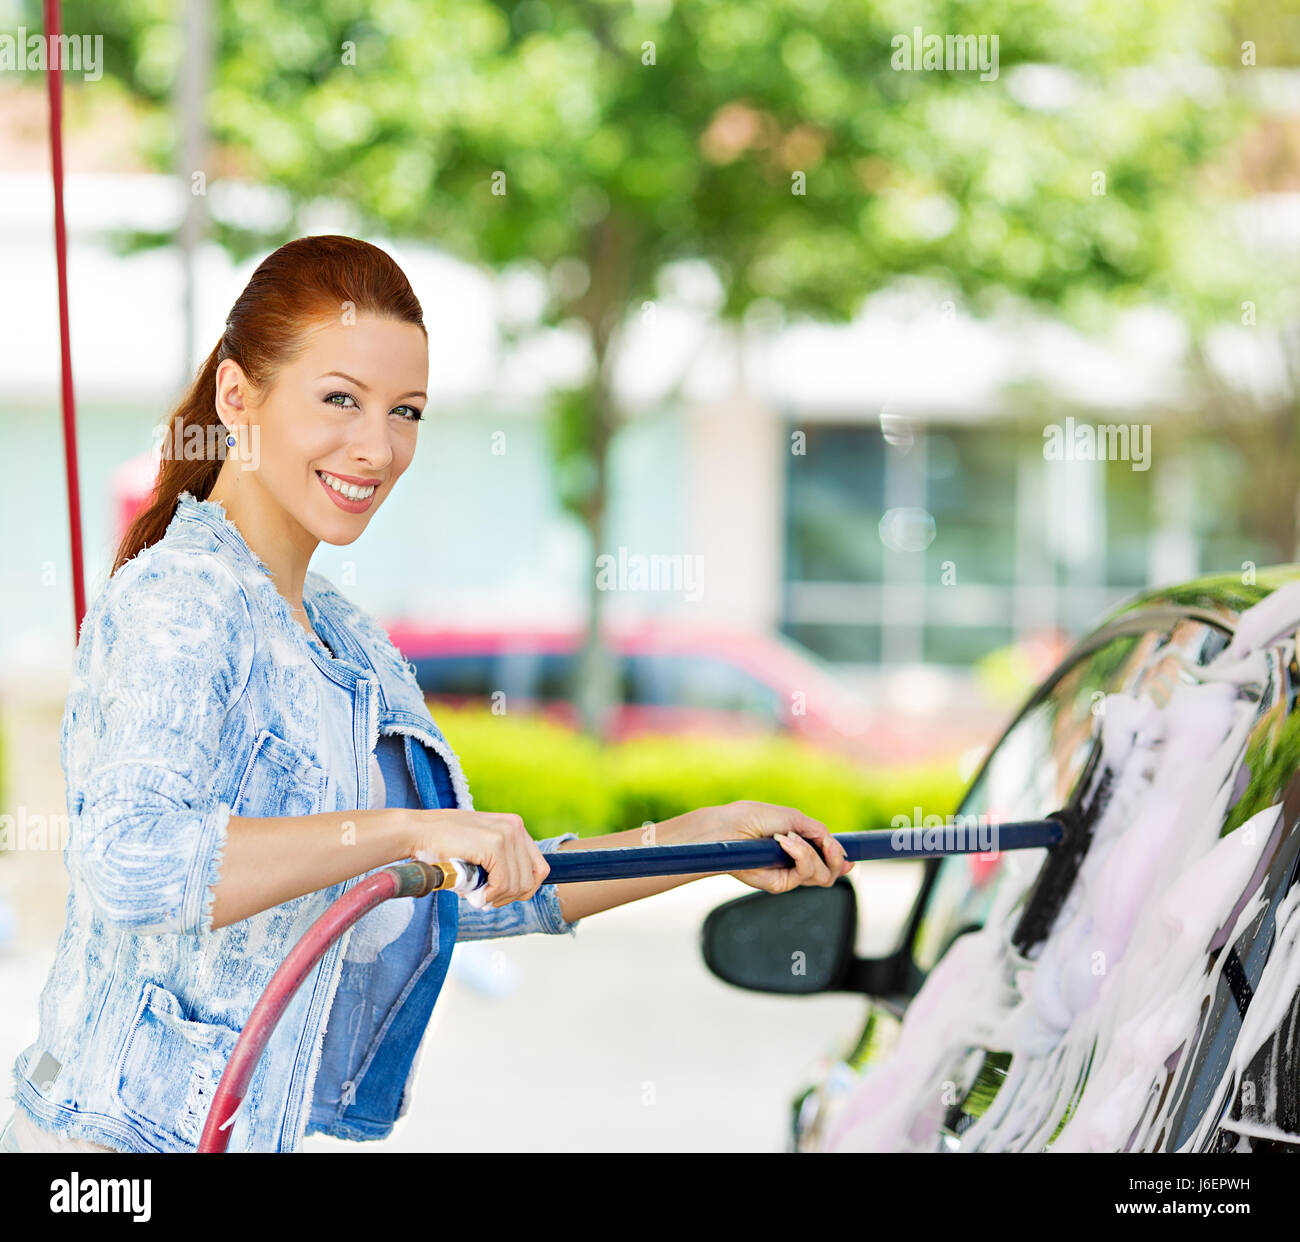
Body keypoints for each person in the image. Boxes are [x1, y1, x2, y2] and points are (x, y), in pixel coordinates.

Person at [3, 235, 852, 1153]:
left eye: (405, 411)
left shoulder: (349, 642)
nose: (377, 447)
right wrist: (409, 831)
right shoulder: (183, 599)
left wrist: (696, 840)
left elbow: (455, 889)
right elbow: (136, 864)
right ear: (237, 397)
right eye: (340, 399)